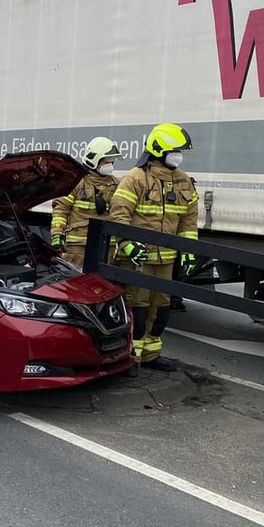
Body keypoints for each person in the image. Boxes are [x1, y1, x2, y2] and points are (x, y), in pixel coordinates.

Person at [109, 123, 199, 371]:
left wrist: (189, 250)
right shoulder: (135, 178)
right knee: (137, 309)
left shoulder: (184, 181)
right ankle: (129, 357)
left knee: (160, 310)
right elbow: (119, 215)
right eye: (175, 150)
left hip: (166, 260)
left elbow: (188, 221)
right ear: (158, 149)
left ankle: (150, 355)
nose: (179, 155)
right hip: (139, 259)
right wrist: (126, 244)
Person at [51, 136, 123, 267]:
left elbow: (122, 214)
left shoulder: (117, 184)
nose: (110, 166)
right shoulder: (75, 181)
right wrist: (57, 233)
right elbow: (61, 209)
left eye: (112, 162)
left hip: (106, 248)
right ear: (94, 160)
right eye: (107, 162)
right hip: (78, 249)